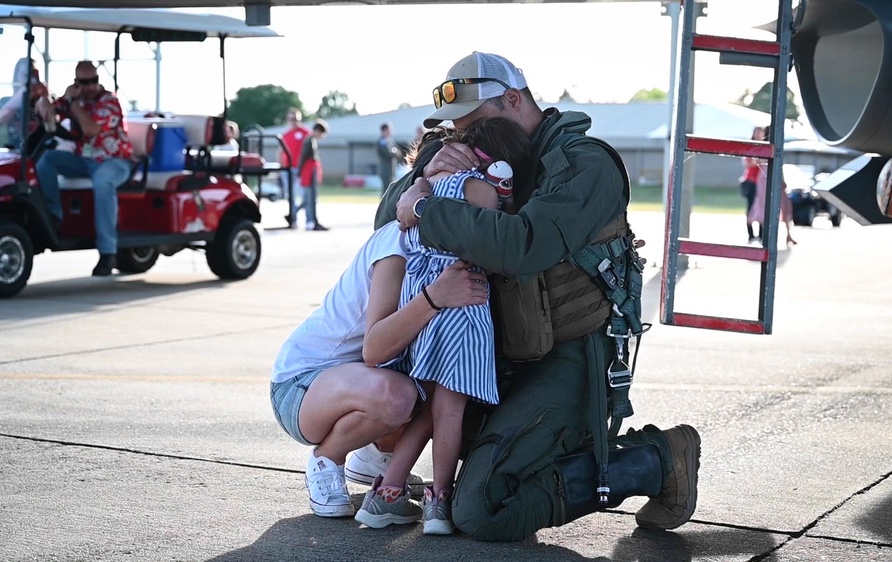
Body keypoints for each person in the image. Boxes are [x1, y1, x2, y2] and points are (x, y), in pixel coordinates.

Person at [374, 51, 701, 542]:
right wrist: (424, 173)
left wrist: (424, 207)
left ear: (513, 99)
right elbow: (386, 230)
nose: (461, 138)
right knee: (393, 410)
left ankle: (654, 460)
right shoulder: (462, 154)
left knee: (482, 509)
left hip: (567, 355)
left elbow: (522, 247)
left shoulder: (584, 165)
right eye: (453, 130)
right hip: (491, 353)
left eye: (472, 124)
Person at [353, 117, 530, 535]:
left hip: (424, 304)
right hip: (460, 306)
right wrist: (507, 201)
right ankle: (440, 501)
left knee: (431, 408)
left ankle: (387, 493)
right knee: (451, 408)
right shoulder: (478, 188)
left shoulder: (425, 188)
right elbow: (496, 240)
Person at [270, 219, 489, 518]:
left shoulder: (449, 235)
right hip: (301, 384)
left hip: (355, 382)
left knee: (432, 384)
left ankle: (375, 457)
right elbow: (374, 349)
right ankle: (327, 458)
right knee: (397, 395)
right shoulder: (398, 243)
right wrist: (435, 296)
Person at [34, 61, 133, 276]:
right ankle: (53, 215)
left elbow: (90, 130)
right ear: (76, 82)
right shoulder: (73, 100)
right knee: (47, 160)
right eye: (84, 82)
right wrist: (44, 100)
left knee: (103, 182)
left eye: (93, 81)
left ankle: (108, 252)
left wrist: (73, 105)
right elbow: (49, 111)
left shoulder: (109, 102)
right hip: (84, 160)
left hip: (114, 161)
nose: (90, 87)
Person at [748, 126, 797, 246]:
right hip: (766, 178)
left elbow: (779, 165)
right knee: (767, 207)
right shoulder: (765, 147)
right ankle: (769, 236)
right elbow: (753, 162)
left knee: (783, 206)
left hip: (771, 178)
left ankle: (786, 234)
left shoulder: (776, 147)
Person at [0, 58, 48, 154]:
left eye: (34, 76)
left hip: (38, 154)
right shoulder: (6, 101)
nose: (30, 80)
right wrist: (22, 94)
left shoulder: (41, 101)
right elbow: (2, 118)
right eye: (26, 75)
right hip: (12, 151)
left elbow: (51, 121)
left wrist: (44, 98)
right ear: (16, 76)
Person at [278, 108, 310, 228]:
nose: (294, 121)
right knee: (290, 195)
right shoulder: (285, 135)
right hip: (288, 169)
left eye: (296, 119)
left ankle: (307, 220)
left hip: (301, 169)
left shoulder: (305, 133)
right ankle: (293, 220)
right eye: (292, 119)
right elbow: (280, 152)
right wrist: (281, 166)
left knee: (304, 196)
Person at [297, 119, 329, 231]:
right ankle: (311, 221)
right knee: (310, 198)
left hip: (310, 170)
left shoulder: (311, 140)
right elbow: (303, 157)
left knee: (309, 198)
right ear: (318, 131)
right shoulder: (309, 141)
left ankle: (309, 219)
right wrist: (300, 172)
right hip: (309, 171)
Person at [740, 126, 765, 242]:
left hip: (762, 182)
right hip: (751, 182)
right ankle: (750, 234)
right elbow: (747, 164)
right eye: (757, 133)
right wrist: (757, 162)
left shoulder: (765, 148)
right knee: (750, 208)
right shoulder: (750, 147)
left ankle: (761, 234)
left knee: (762, 208)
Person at [377, 122, 401, 194]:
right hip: (385, 169)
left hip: (392, 168)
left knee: (391, 189)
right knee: (386, 189)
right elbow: (387, 153)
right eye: (389, 129)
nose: (390, 131)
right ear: (384, 130)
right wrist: (394, 153)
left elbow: (398, 152)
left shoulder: (390, 141)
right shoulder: (381, 141)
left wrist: (396, 153)